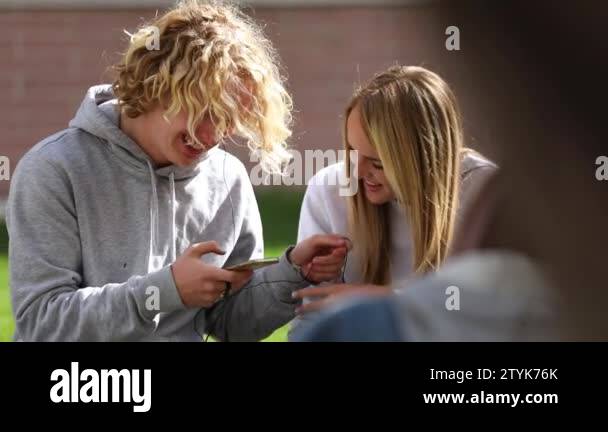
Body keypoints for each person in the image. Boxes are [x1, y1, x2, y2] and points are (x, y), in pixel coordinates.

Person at [7, 0, 348, 342]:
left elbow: (232, 324)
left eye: (228, 121)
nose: (212, 137)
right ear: (156, 83)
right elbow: (42, 323)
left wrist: (291, 273)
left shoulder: (227, 178)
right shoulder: (54, 169)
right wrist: (161, 292)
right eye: (204, 112)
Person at [289, 65, 496, 338]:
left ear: (424, 157)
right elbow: (311, 321)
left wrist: (384, 301)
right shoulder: (329, 189)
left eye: (377, 162)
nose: (358, 172)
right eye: (351, 151)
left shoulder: (484, 194)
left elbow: (497, 315)